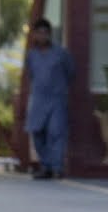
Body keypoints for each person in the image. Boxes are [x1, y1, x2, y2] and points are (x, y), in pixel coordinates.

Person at [23, 19, 74, 179]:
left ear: (50, 35)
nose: (42, 36)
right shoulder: (31, 55)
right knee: (37, 132)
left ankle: (57, 167)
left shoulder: (61, 53)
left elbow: (71, 72)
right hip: (38, 98)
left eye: (45, 33)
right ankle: (45, 166)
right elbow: (30, 75)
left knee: (55, 132)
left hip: (56, 99)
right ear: (34, 35)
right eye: (39, 33)